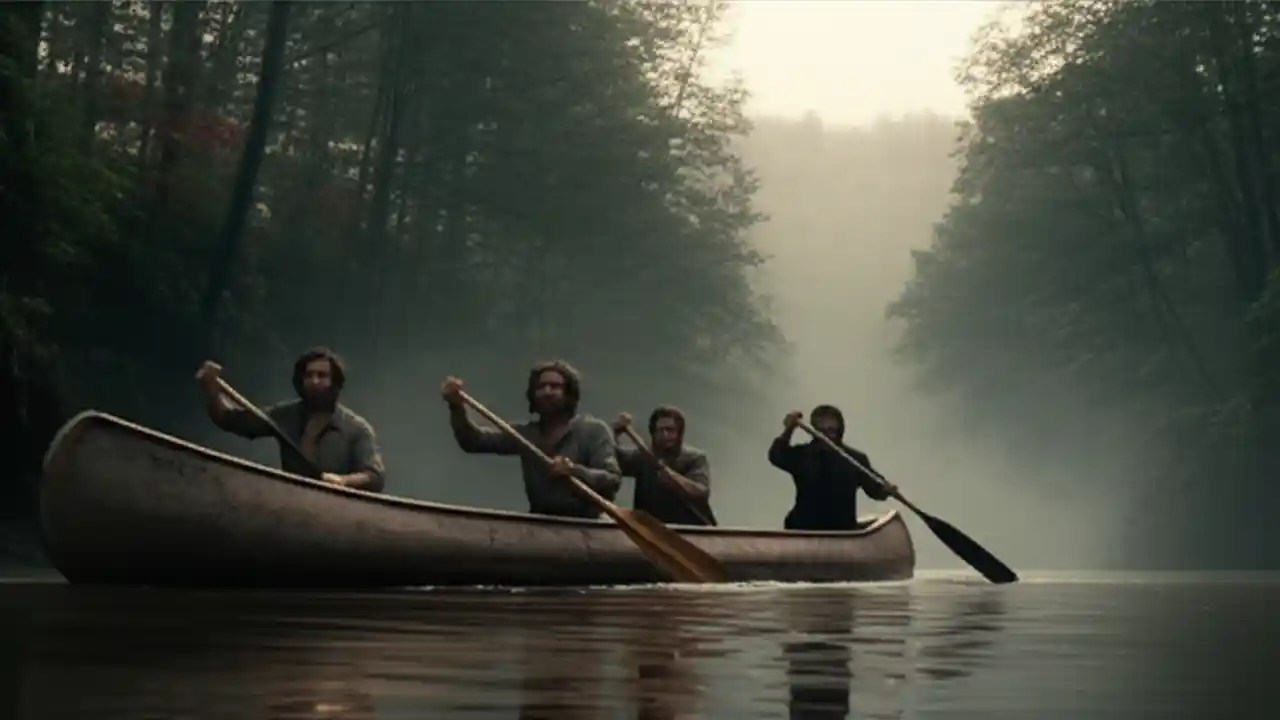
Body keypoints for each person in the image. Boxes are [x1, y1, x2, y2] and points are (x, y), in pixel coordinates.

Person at [440, 360, 622, 519]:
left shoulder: (594, 431)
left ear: (569, 394)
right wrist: (456, 407)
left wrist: (575, 471)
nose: (547, 391)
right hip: (540, 521)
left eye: (555, 386)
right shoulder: (525, 434)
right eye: (541, 387)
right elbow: (473, 441)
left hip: (584, 524)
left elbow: (612, 480)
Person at [195, 346, 387, 492]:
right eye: (309, 375)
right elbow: (230, 420)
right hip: (293, 497)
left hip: (339, 507)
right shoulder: (284, 416)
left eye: (322, 376)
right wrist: (211, 390)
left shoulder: (356, 429)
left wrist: (342, 481)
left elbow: (375, 477)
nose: (314, 381)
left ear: (334, 382)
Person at [767, 404, 897, 531]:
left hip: (842, 530)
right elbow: (776, 456)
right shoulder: (803, 455)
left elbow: (875, 489)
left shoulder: (854, 459)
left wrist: (886, 490)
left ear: (840, 429)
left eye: (832, 429)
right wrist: (789, 429)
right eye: (823, 429)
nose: (828, 432)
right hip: (804, 529)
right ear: (814, 430)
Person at [611, 406, 717, 526]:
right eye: (660, 430)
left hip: (692, 529)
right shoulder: (641, 458)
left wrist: (672, 478)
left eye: (670, 430)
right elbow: (610, 460)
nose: (665, 435)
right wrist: (615, 433)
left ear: (679, 433)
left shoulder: (695, 459)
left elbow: (701, 492)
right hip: (650, 529)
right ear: (653, 433)